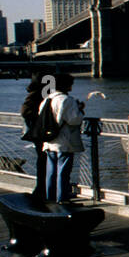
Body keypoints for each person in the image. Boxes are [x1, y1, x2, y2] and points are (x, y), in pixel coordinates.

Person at [39, 73, 84, 204]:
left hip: (49, 140)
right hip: (64, 141)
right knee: (63, 171)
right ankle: (62, 198)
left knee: (51, 171)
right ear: (66, 85)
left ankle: (50, 197)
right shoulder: (67, 100)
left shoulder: (46, 100)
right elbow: (74, 120)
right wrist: (80, 110)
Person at [18, 73, 47, 202]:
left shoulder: (37, 93)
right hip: (41, 133)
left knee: (43, 161)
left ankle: (42, 189)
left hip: (39, 133)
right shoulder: (37, 94)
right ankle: (42, 189)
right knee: (43, 161)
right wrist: (40, 119)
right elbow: (25, 111)